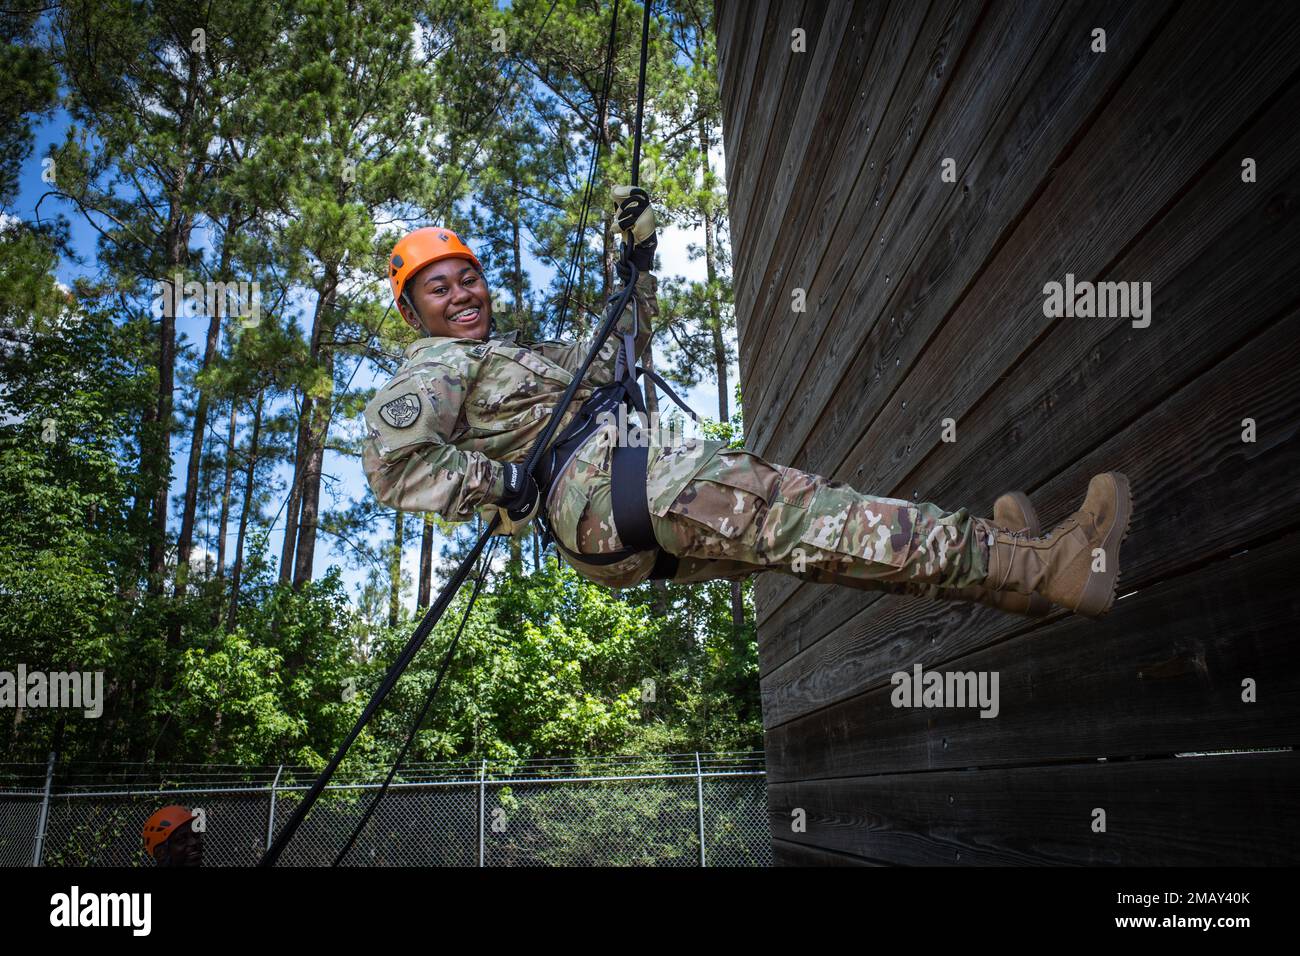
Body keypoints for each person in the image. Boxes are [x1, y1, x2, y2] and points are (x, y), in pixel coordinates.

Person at [362, 187, 1132, 619]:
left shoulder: (512, 361)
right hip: (617, 490)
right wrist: (500, 486)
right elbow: (393, 467)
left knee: (808, 545)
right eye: (440, 286)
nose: (462, 293)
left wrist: (634, 265)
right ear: (411, 311)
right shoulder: (435, 367)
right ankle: (1046, 565)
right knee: (812, 515)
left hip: (619, 512)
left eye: (468, 277)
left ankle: (1003, 579)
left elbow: (621, 353)